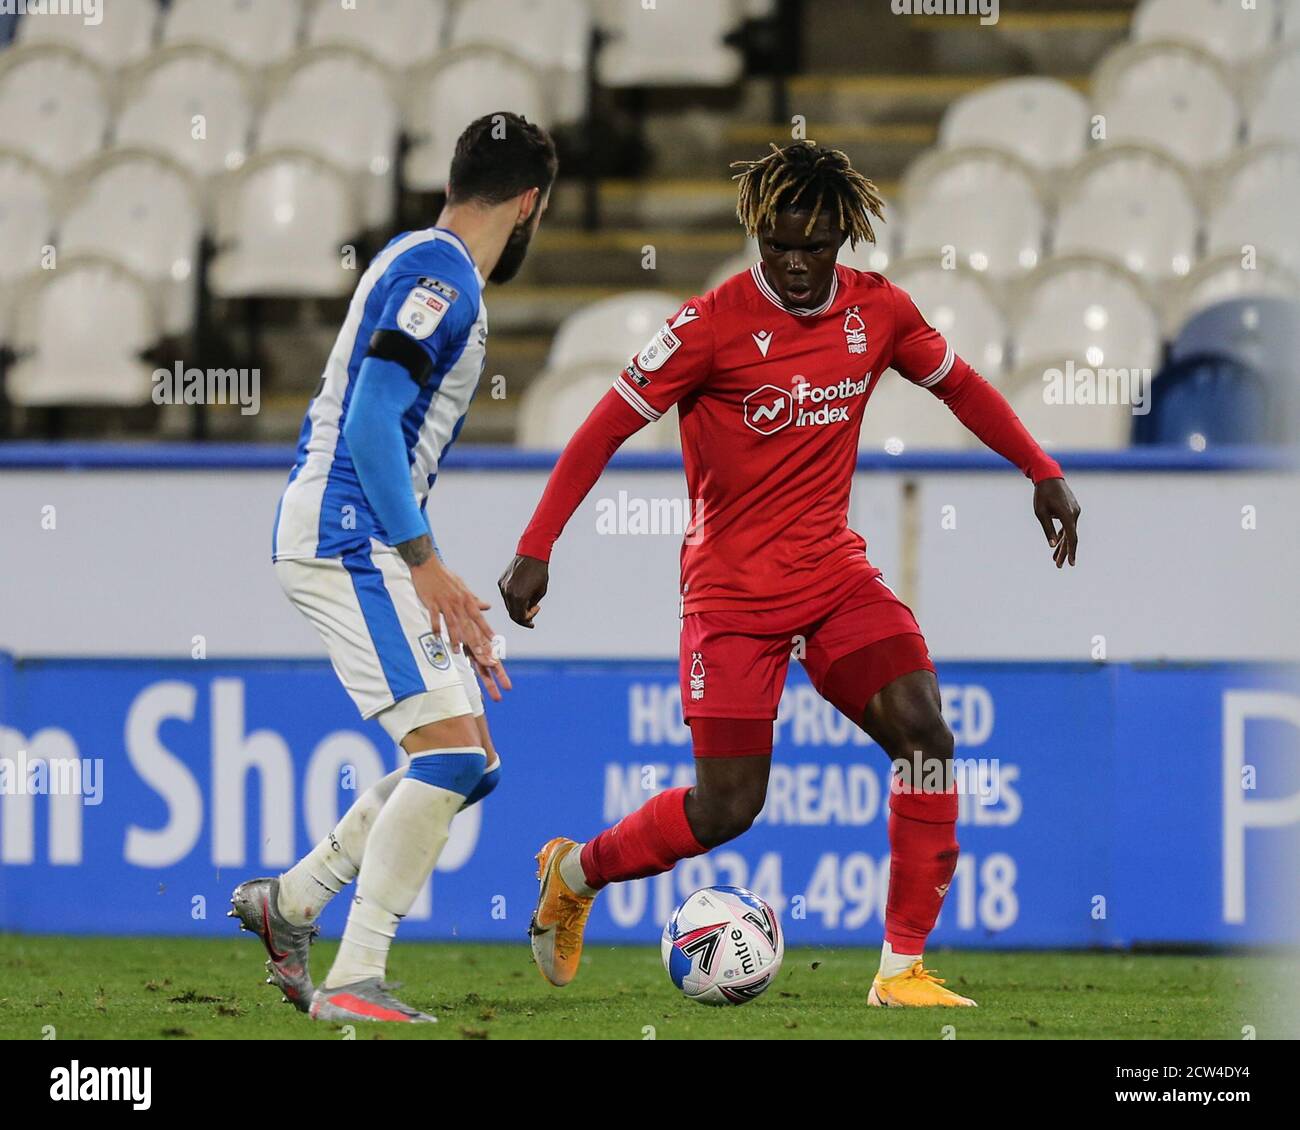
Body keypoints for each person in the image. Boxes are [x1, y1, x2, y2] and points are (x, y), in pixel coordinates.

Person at [499, 141, 1080, 1008]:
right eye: (778, 244)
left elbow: (960, 388)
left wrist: (1041, 469)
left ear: (845, 234)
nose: (797, 263)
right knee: (728, 807)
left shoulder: (878, 313)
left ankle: (900, 973)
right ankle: (576, 871)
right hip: (731, 600)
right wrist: (537, 545)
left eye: (815, 244)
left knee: (926, 737)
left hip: (834, 579)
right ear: (756, 234)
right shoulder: (708, 326)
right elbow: (601, 429)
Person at [230, 112, 557, 1024]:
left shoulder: (421, 256)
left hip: (360, 530)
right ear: (530, 203)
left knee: (471, 759)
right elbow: (373, 421)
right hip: (349, 535)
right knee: (449, 756)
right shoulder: (439, 276)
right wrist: (429, 568)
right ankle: (352, 977)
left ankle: (290, 903)